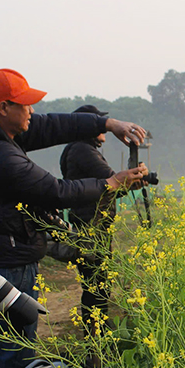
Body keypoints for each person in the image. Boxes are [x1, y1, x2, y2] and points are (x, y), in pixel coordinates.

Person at [0, 68, 149, 368]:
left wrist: (108, 123)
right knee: (10, 356)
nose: (31, 111)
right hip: (10, 263)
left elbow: (52, 125)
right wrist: (112, 183)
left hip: (9, 255)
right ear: (4, 107)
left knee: (9, 354)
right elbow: (55, 192)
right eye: (25, 104)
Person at [59, 105, 131, 334]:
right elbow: (113, 183)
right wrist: (130, 180)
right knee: (97, 283)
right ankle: (97, 335)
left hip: (87, 223)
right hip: (92, 226)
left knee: (96, 282)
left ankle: (98, 331)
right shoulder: (83, 150)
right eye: (97, 123)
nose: (103, 128)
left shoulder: (74, 148)